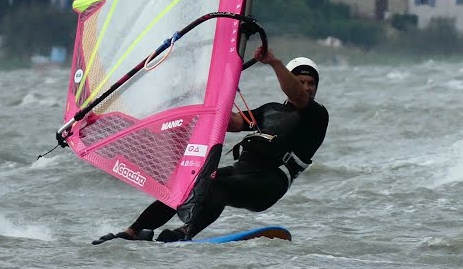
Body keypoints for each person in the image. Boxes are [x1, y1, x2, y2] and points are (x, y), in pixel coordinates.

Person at [92, 47, 329, 244]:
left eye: (311, 83)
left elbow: (299, 97)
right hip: (242, 171)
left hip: (269, 182)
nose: (307, 87)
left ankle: (186, 232)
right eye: (301, 81)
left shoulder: (316, 116)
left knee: (217, 186)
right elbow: (234, 122)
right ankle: (133, 231)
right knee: (187, 185)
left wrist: (275, 62)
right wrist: (208, 98)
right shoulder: (270, 110)